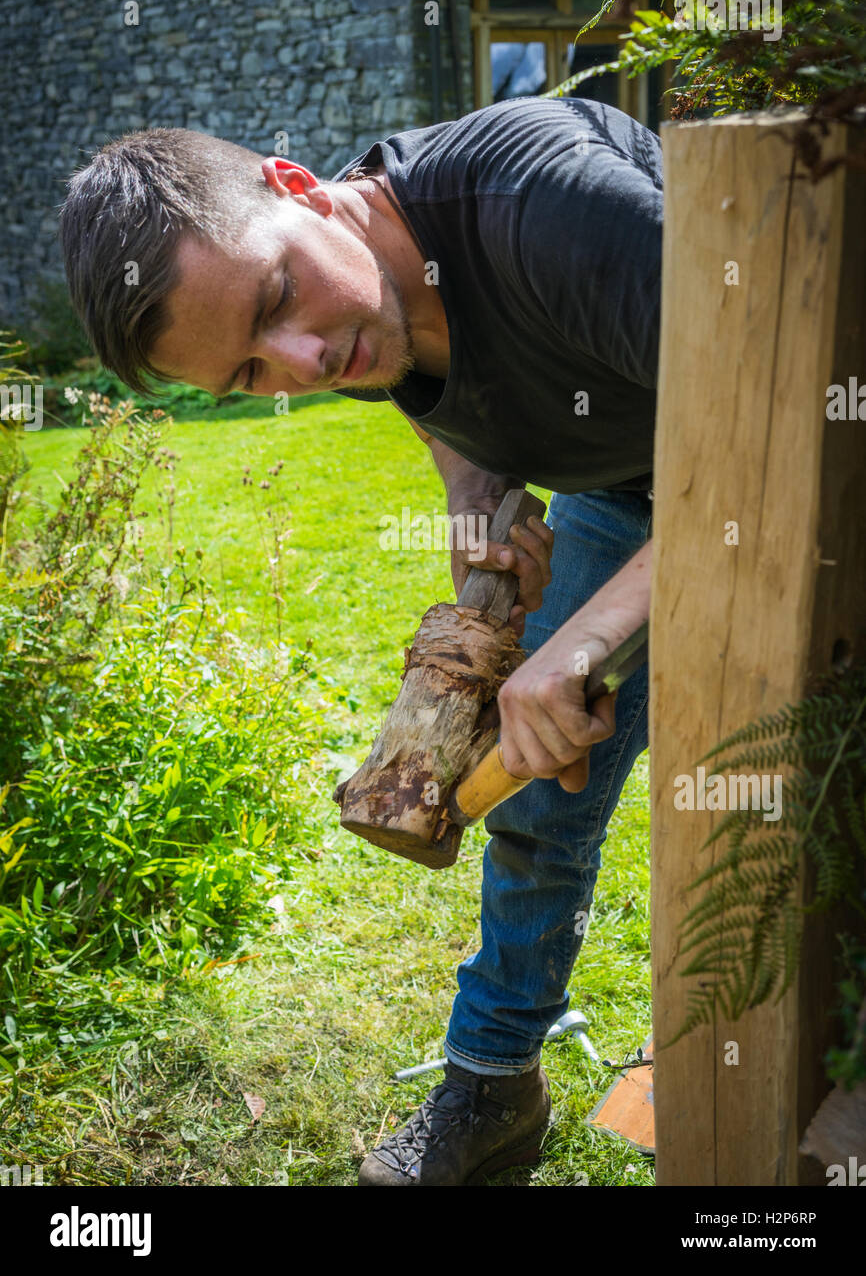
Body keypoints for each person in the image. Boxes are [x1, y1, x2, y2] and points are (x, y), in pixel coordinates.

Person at [59, 94, 661, 1186]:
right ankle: (490, 1086)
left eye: (276, 297)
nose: (303, 360)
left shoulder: (536, 199)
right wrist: (479, 492)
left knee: (783, 786)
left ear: (298, 185)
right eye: (248, 376)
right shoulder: (361, 296)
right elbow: (433, 387)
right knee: (528, 786)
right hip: (632, 490)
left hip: (795, 473)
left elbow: (793, 419)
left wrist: (591, 640)